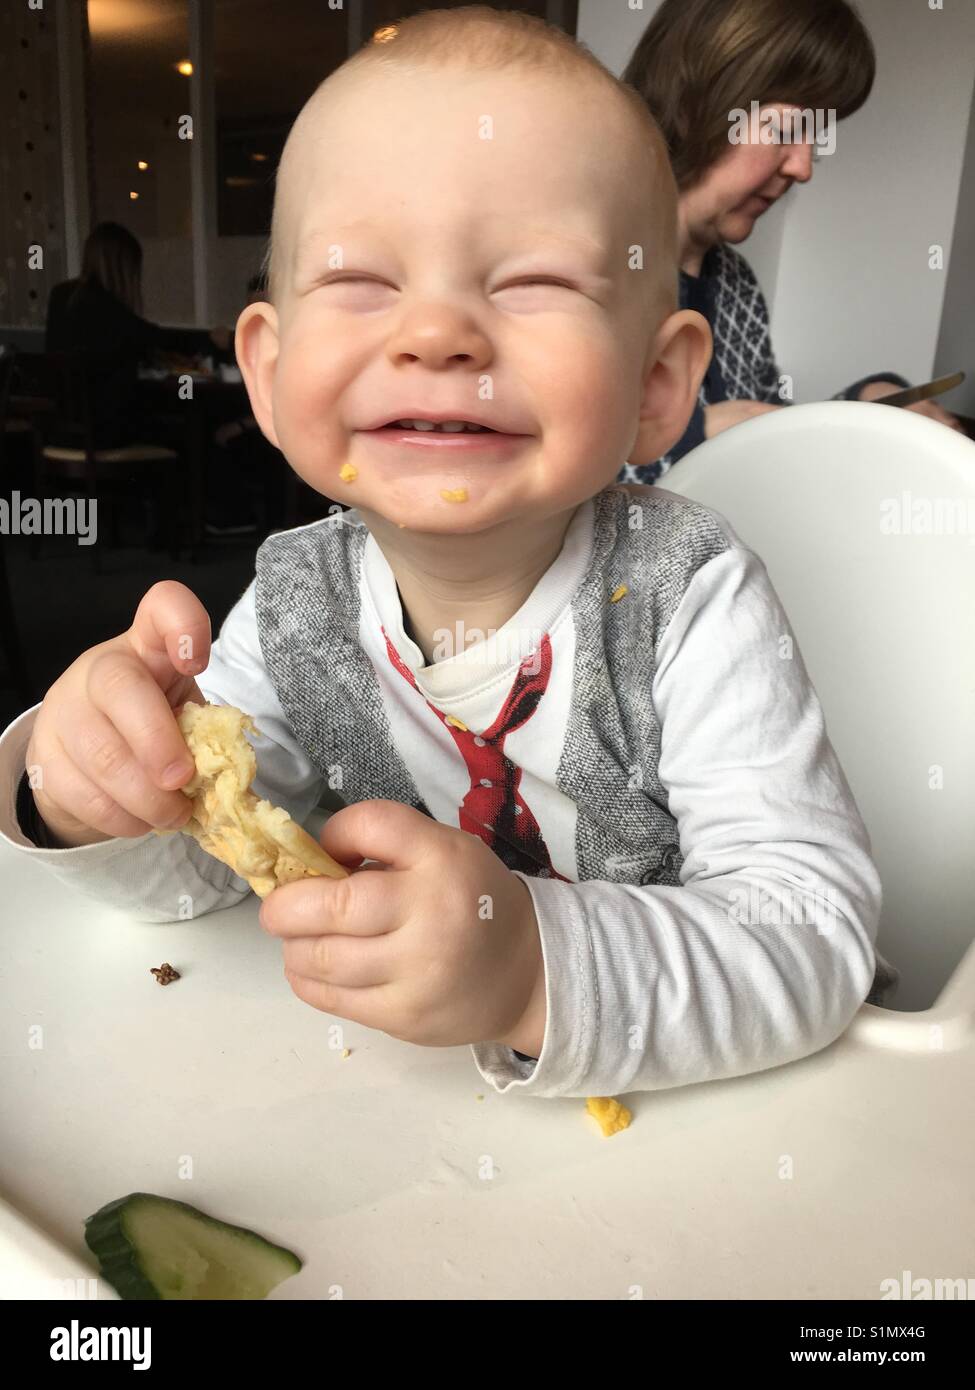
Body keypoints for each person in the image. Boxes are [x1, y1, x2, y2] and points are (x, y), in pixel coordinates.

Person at [0, 8, 896, 1102]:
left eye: (532, 281)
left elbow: (813, 932)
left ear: (660, 387)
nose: (436, 333)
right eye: (362, 279)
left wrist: (529, 965)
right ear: (270, 376)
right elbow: (208, 878)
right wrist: (94, 792)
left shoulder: (689, 597)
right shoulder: (296, 600)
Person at [619, 0, 964, 486]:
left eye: (815, 140)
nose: (802, 168)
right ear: (697, 103)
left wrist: (868, 402)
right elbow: (529, 470)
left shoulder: (735, 281)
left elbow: (767, 422)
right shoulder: (590, 269)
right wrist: (696, 436)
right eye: (786, 130)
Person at [45, 222, 231, 448]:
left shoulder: (61, 296)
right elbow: (155, 338)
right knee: (188, 433)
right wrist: (210, 339)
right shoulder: (105, 306)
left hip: (59, 433)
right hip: (106, 436)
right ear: (123, 268)